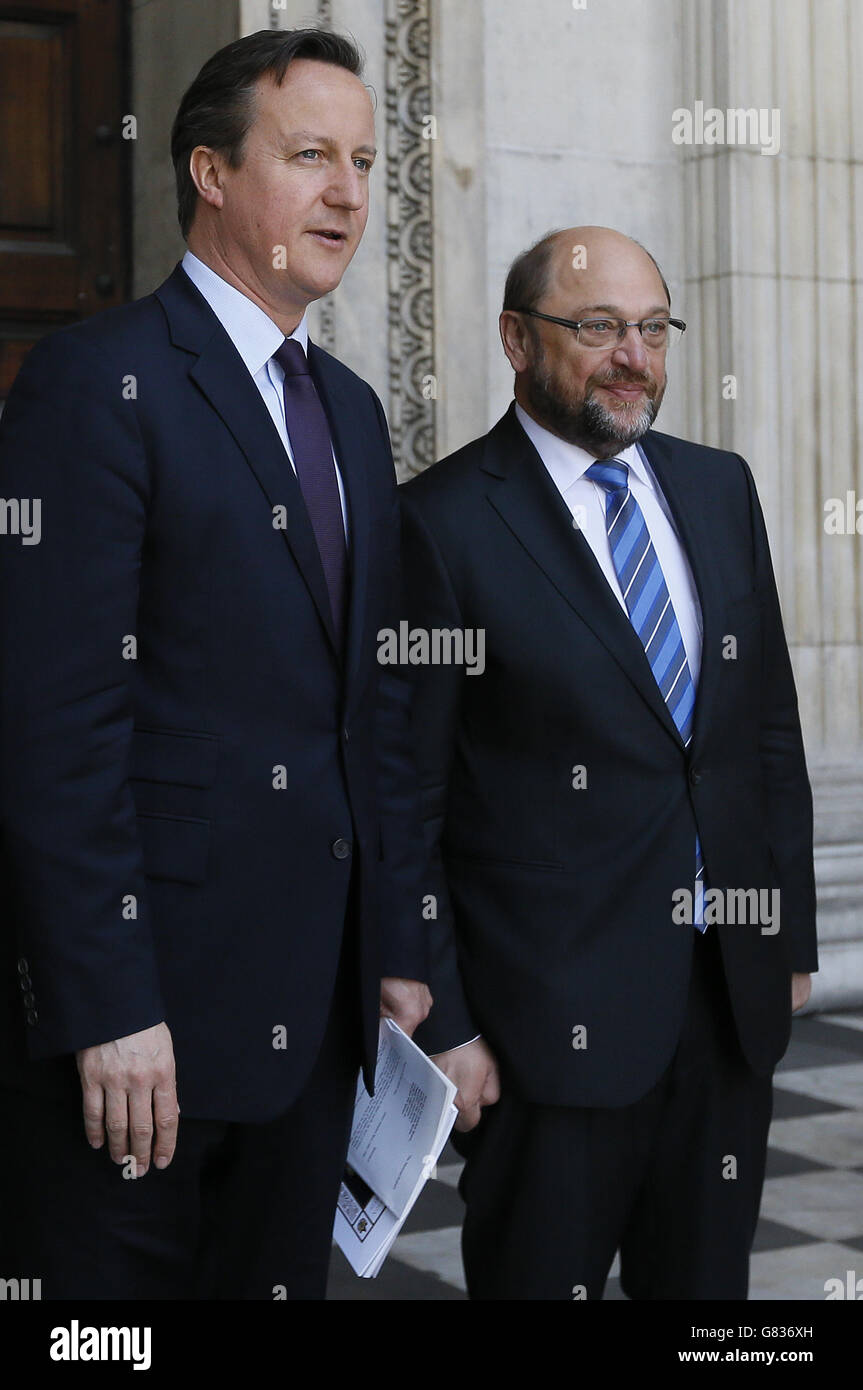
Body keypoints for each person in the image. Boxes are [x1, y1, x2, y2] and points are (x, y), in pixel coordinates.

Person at [0, 27, 430, 1300]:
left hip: (315, 1029)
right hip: (146, 1036)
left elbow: (377, 713)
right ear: (207, 171)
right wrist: (107, 1006)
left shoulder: (350, 408)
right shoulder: (95, 381)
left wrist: (398, 945)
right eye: (309, 156)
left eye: (362, 160)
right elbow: (50, 730)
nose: (348, 192)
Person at [401, 226, 817, 1300]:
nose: (631, 355)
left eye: (650, 328)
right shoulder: (441, 525)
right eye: (594, 328)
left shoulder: (717, 488)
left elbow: (764, 730)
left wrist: (786, 936)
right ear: (514, 338)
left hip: (722, 1008)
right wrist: (443, 1024)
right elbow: (406, 797)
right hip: (544, 1028)